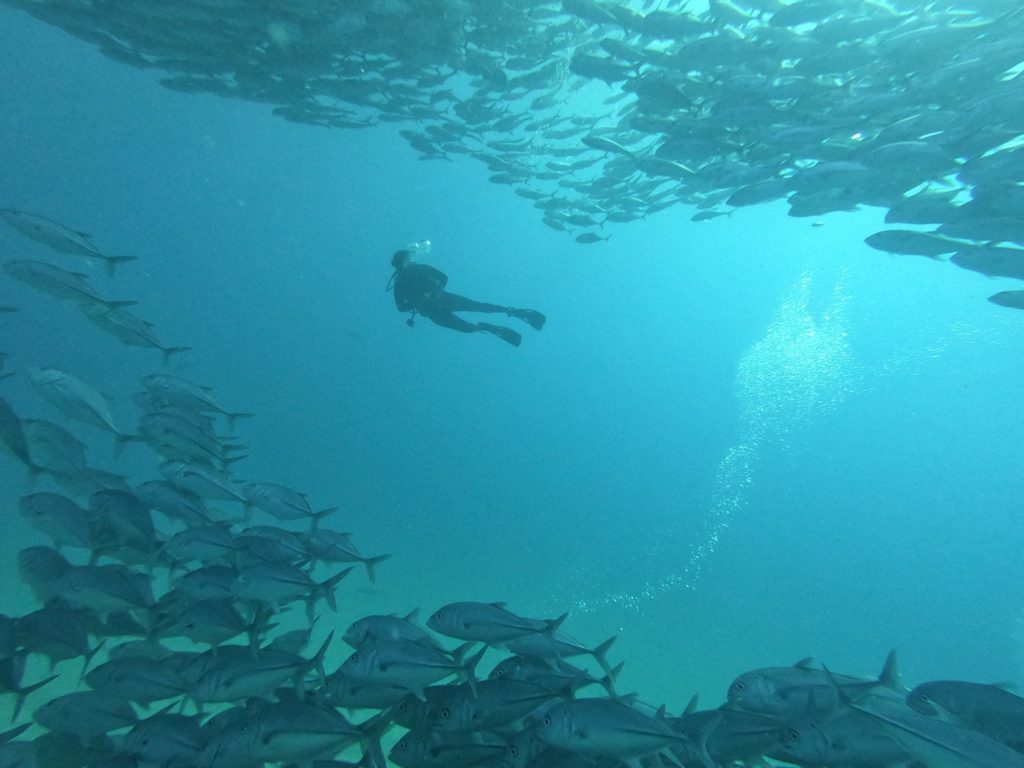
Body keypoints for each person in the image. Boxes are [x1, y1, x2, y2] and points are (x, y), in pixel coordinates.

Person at [388, 248, 545, 346]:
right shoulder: (401, 281)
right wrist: (420, 302)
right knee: (465, 324)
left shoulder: (413, 273)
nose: (413, 261)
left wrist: (430, 295)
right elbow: (401, 307)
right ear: (403, 261)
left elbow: (442, 277)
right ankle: (487, 326)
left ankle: (511, 311)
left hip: (439, 302)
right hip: (434, 307)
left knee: (476, 308)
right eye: (410, 258)